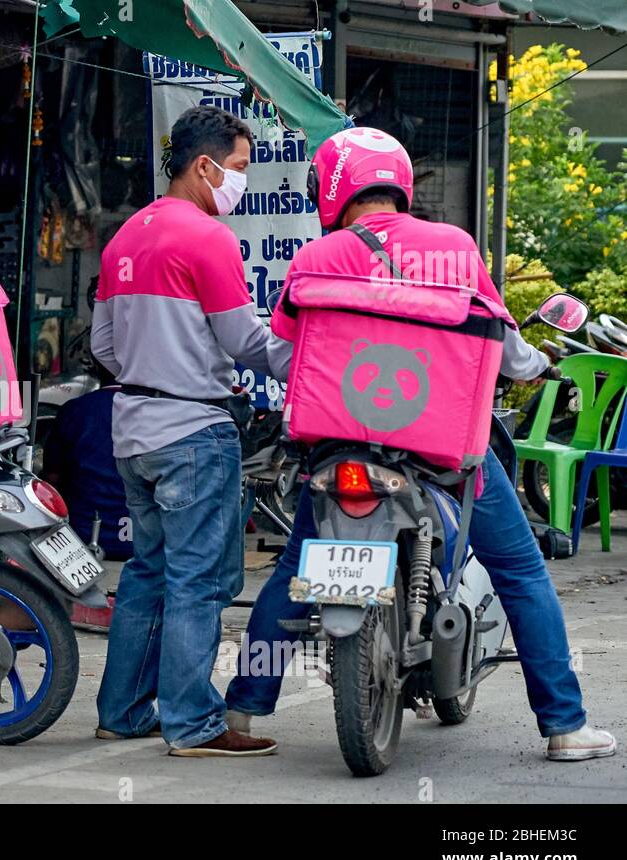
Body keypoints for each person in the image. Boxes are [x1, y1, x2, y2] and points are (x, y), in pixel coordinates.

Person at [226, 126, 617, 762]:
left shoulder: (314, 258)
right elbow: (505, 347)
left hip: (340, 447)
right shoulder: (454, 248)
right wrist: (538, 367)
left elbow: (288, 351)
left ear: (331, 189)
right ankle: (565, 727)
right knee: (520, 569)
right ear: (399, 183)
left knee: (295, 565)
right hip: (443, 453)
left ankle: (241, 713)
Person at [90, 105, 278, 757]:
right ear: (204, 166)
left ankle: (121, 709)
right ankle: (194, 723)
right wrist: (316, 355)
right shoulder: (207, 237)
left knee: (148, 570)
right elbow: (246, 342)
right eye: (238, 168)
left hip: (132, 429)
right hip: (194, 430)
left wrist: (152, 368)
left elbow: (104, 346)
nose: (240, 182)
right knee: (200, 577)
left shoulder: (123, 238)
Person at [42, 359, 132, 560]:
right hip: (143, 541)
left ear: (95, 366)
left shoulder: (75, 410)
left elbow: (51, 479)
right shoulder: (156, 413)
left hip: (84, 539)